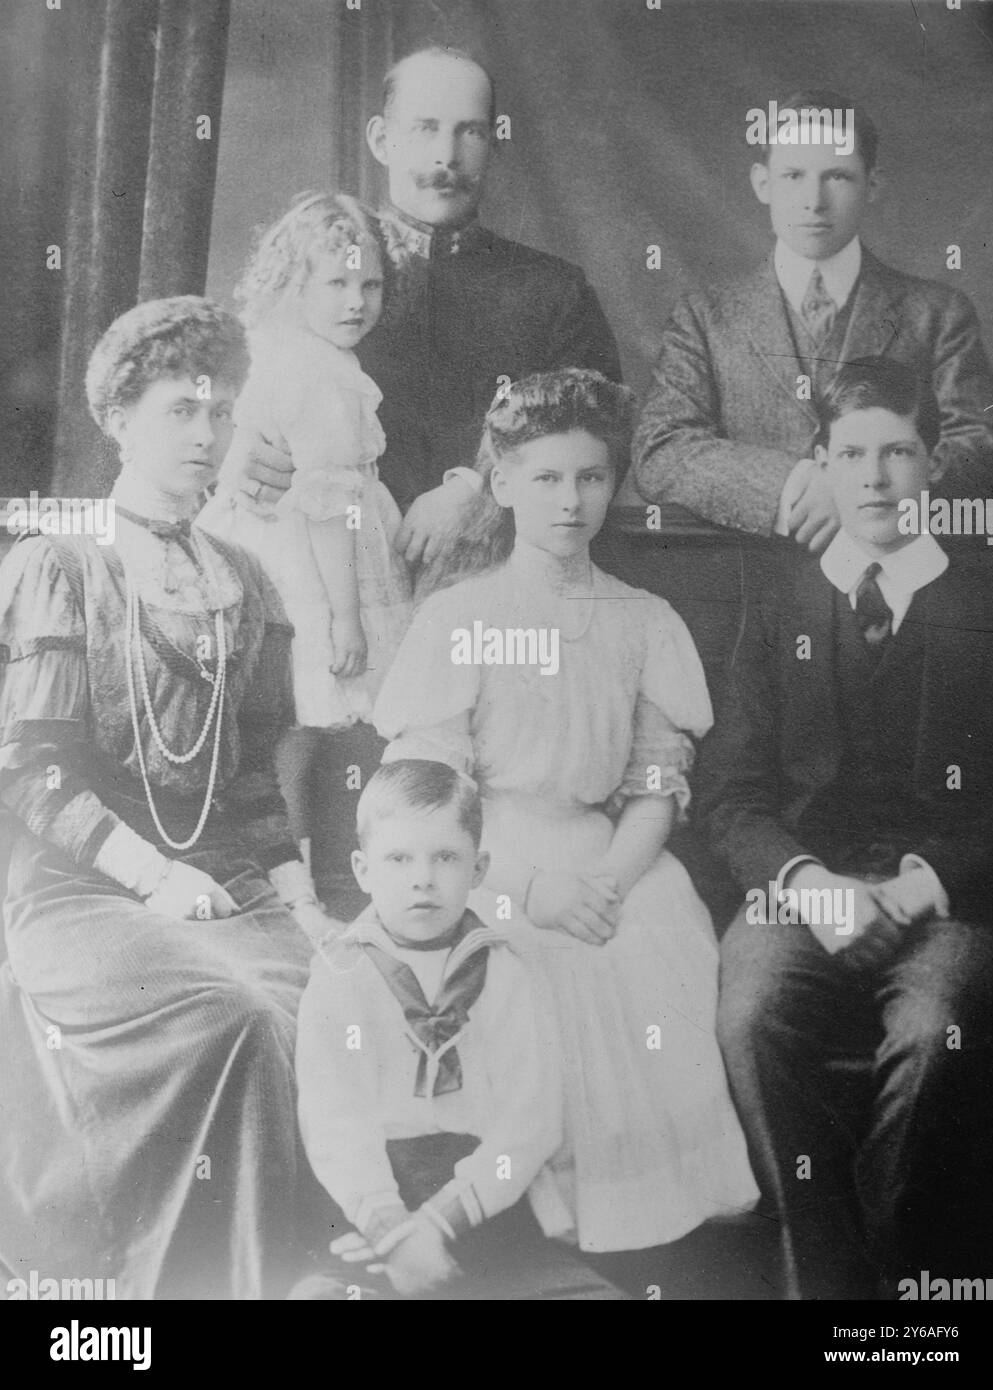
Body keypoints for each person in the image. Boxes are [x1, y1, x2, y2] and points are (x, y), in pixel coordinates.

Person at [371, 369, 759, 1255]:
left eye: (589, 477)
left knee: (659, 925)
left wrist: (609, 884)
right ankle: (539, 1223)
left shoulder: (643, 618)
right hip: (484, 853)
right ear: (502, 484)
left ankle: (661, 1223)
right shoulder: (460, 616)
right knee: (529, 953)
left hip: (609, 851)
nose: (570, 500)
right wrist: (526, 886)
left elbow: (655, 784)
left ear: (613, 484)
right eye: (545, 478)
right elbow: (423, 799)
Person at [0, 297, 326, 1300]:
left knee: (333, 999)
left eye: (221, 412)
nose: (206, 434)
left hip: (223, 876)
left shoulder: (247, 580)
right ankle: (219, 1282)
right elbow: (34, 772)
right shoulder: (61, 563)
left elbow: (251, 783)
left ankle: (326, 1269)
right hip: (81, 888)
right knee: (237, 1015)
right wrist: (155, 876)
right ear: (122, 418)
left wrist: (306, 903)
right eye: (182, 410)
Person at [697, 358, 993, 1299]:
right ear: (821, 464)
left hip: (949, 898)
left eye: (898, 453)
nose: (874, 478)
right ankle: (827, 1293)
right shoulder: (776, 601)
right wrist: (808, 884)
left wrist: (922, 884)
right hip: (804, 889)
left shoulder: (991, 602)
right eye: (851, 454)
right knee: (750, 1017)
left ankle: (886, 1286)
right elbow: (730, 797)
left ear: (931, 465)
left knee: (935, 1029)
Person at [229, 44, 622, 569]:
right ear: (380, 139)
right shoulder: (314, 275)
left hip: (499, 576)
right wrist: (236, 452)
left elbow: (604, 439)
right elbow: (231, 396)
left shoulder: (554, 292)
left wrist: (478, 489)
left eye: (471, 131)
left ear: (493, 142)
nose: (447, 157)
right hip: (336, 572)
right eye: (424, 129)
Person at [291, 759, 626, 1300]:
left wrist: (435, 1228)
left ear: (478, 868)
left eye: (445, 857)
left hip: (483, 1213)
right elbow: (336, 1126)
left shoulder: (507, 973)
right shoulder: (341, 977)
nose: (422, 877)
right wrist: (397, 1236)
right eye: (398, 858)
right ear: (361, 869)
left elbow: (531, 1123)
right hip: (374, 1219)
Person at [633, 89, 993, 547]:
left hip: (905, 584)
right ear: (762, 183)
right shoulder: (705, 317)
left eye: (837, 177)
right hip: (755, 588)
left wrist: (864, 494)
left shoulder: (937, 313)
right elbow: (660, 448)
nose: (814, 200)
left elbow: (983, 441)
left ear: (872, 185)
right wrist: (791, 486)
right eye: (793, 175)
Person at [200, 193, 412, 902]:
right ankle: (307, 881)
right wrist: (347, 618)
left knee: (283, 721)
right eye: (336, 283)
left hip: (270, 559)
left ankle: (295, 875)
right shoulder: (320, 375)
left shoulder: (275, 351)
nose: (357, 302)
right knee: (310, 718)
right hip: (315, 575)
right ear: (294, 282)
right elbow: (328, 510)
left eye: (370, 284)